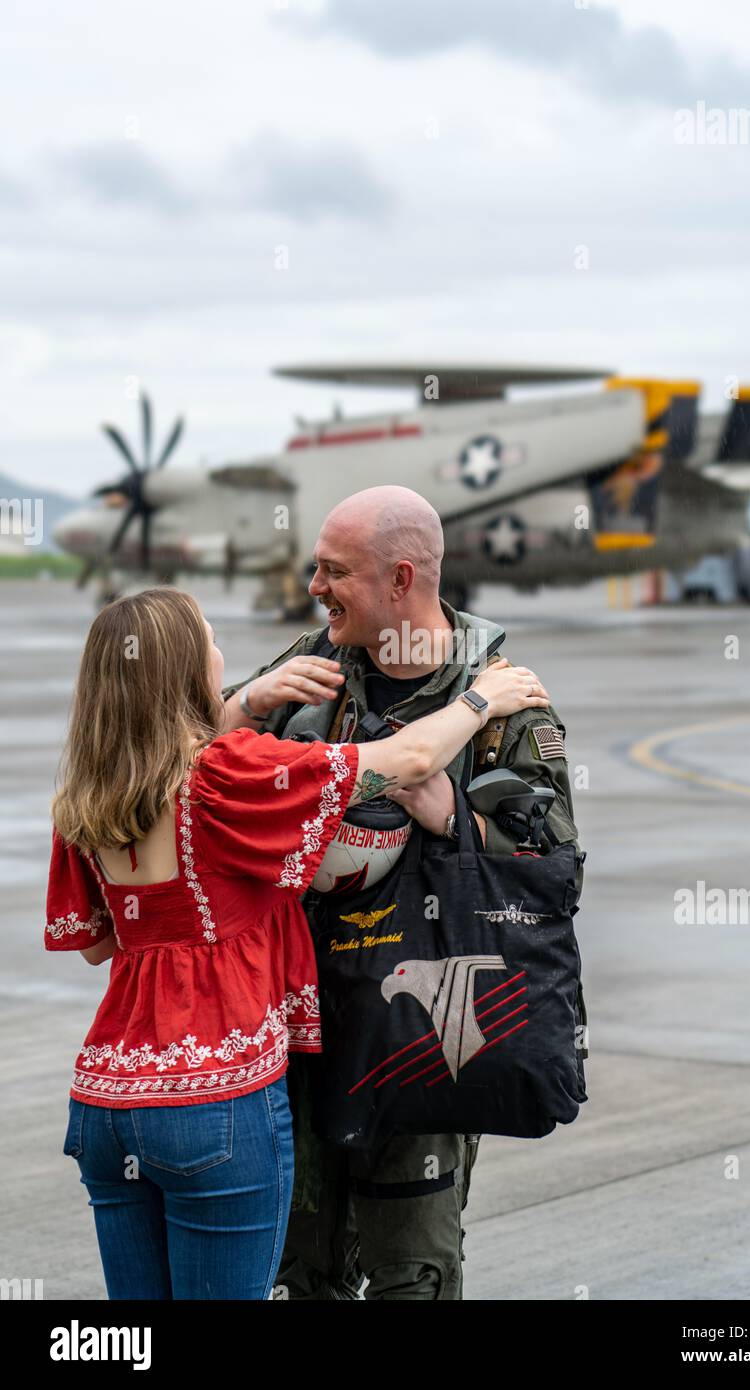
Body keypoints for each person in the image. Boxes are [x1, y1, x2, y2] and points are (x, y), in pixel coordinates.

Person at [45, 585, 549, 1300]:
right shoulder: (230, 774)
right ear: (187, 665)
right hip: (215, 1098)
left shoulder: (91, 793)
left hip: (105, 1102)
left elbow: (100, 945)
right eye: (210, 640)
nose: (223, 654)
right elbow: (401, 762)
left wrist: (249, 703)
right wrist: (478, 701)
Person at [222, 485, 582, 1300]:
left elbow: (554, 863)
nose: (314, 585)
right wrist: (245, 704)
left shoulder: (504, 702)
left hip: (424, 1027)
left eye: (334, 570)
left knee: (408, 1272)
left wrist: (453, 813)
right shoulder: (308, 673)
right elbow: (189, 756)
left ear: (402, 578)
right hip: (302, 1023)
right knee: (293, 1269)